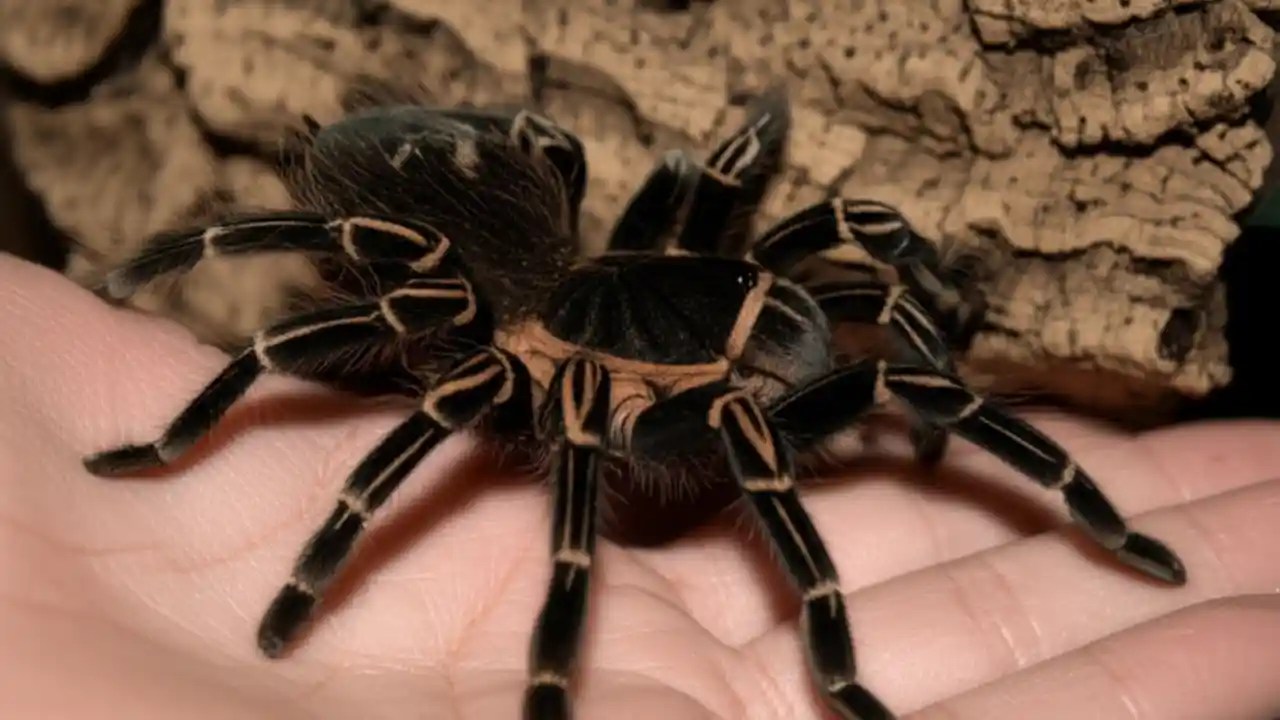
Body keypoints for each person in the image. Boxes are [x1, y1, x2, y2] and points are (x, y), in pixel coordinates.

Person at [2, 253, 1278, 719]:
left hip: (730, 355)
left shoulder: (754, 334)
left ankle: (1077, 539)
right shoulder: (518, 339)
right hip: (624, 339)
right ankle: (216, 493)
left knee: (901, 377)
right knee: (446, 380)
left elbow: (879, 308)